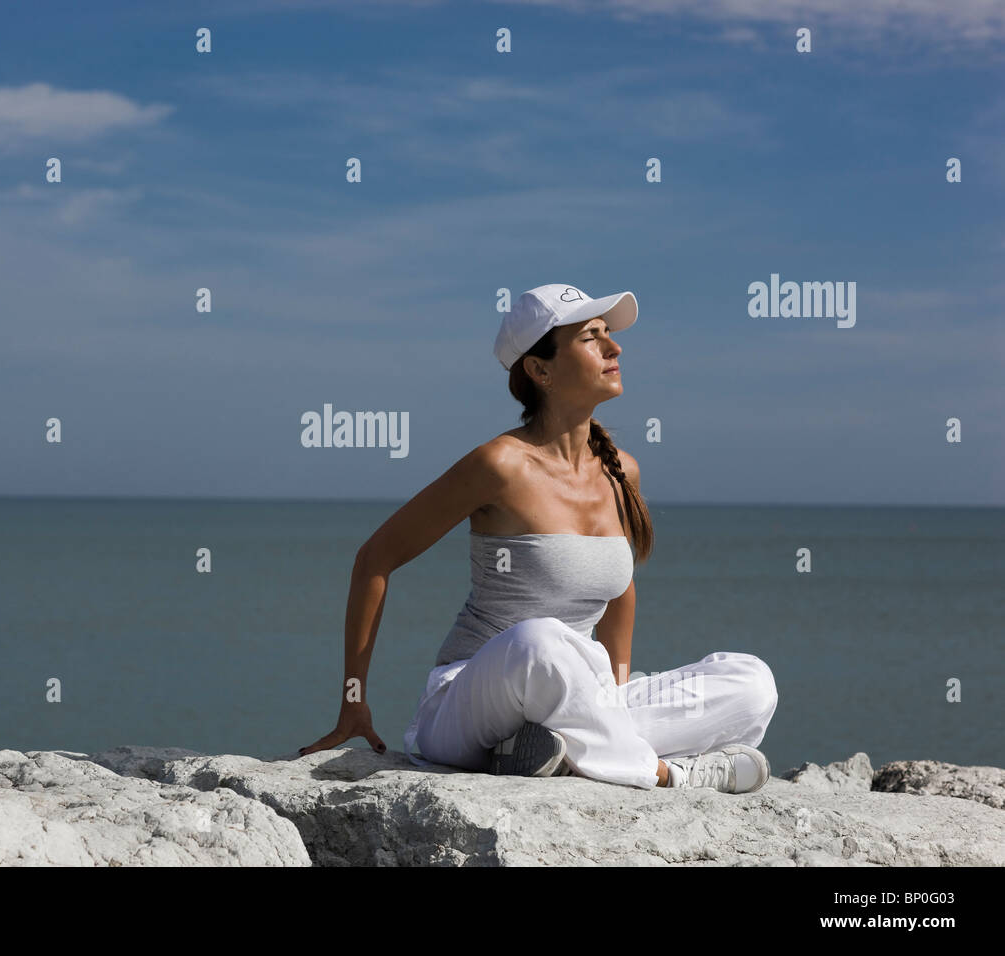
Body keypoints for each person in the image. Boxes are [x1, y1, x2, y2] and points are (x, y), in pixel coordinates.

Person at [298, 283, 778, 792]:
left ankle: (556, 748)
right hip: (469, 701)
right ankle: (668, 775)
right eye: (592, 338)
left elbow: (620, 589)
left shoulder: (622, 472)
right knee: (540, 639)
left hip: (577, 691)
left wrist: (615, 687)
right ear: (540, 370)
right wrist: (353, 700)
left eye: (609, 336)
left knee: (752, 682)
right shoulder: (500, 465)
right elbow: (375, 557)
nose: (614, 349)